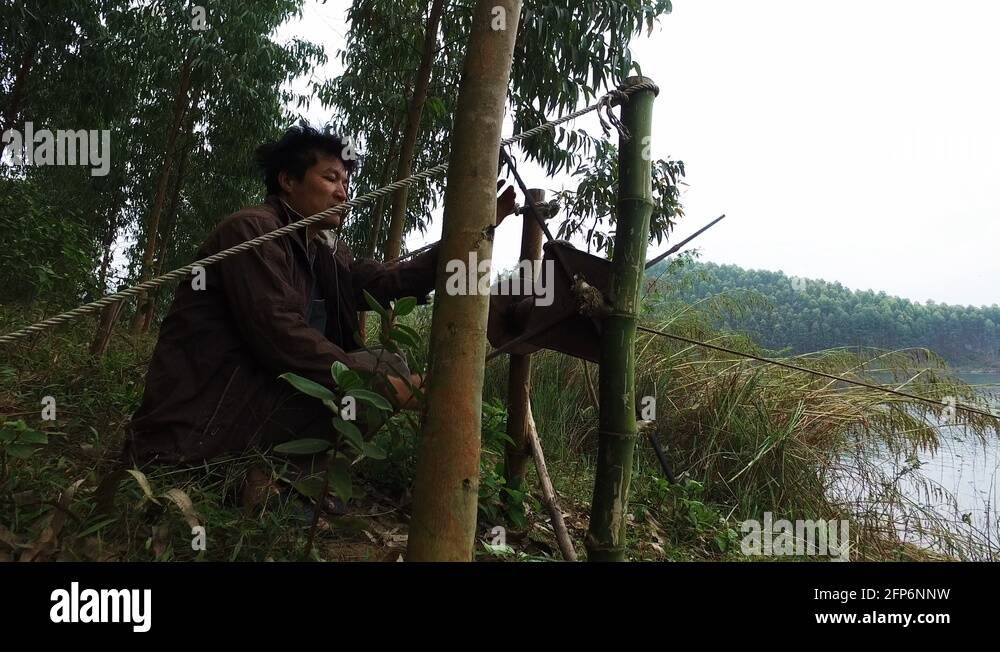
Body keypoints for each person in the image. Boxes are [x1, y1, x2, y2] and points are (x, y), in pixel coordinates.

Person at [121, 125, 516, 474]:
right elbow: (281, 334)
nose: (343, 193)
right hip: (204, 419)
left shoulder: (324, 253)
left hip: (254, 397)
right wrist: (388, 389)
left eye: (345, 183)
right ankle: (252, 471)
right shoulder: (252, 232)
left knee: (386, 361)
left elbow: (392, 281)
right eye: (330, 178)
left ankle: (279, 472)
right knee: (377, 378)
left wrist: (476, 229)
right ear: (288, 181)